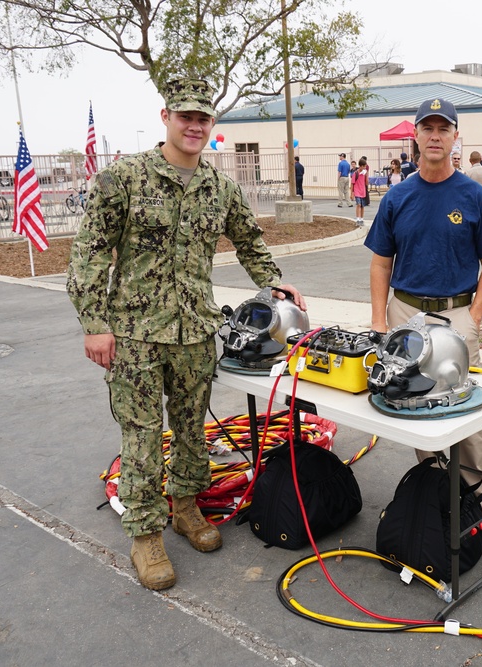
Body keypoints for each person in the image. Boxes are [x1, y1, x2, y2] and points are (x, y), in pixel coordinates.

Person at [66, 78, 307, 590]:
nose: (195, 126)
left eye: (204, 118)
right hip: (134, 335)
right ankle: (145, 535)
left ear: (211, 124)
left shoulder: (219, 188)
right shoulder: (124, 178)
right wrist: (95, 324)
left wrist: (272, 282)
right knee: (142, 434)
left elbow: (248, 238)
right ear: (165, 117)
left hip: (195, 332)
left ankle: (186, 507)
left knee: (193, 428)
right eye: (185, 116)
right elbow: (87, 254)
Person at [364, 98, 482, 542]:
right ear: (416, 136)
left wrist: (475, 314)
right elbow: (379, 264)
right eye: (426, 128)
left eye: (442, 129)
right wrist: (379, 320)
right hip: (405, 314)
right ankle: (434, 493)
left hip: (455, 314)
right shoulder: (398, 195)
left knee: (467, 410)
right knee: (415, 405)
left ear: (454, 137)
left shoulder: (473, 195)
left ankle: (481, 502)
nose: (434, 136)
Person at [351, 156, 369, 226]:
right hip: (357, 191)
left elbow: (366, 183)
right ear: (360, 166)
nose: (365, 168)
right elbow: (352, 184)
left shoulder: (364, 174)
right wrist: (352, 193)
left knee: (362, 206)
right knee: (358, 204)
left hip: (363, 191)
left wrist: (366, 176)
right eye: (364, 166)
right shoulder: (355, 173)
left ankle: (362, 219)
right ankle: (358, 219)